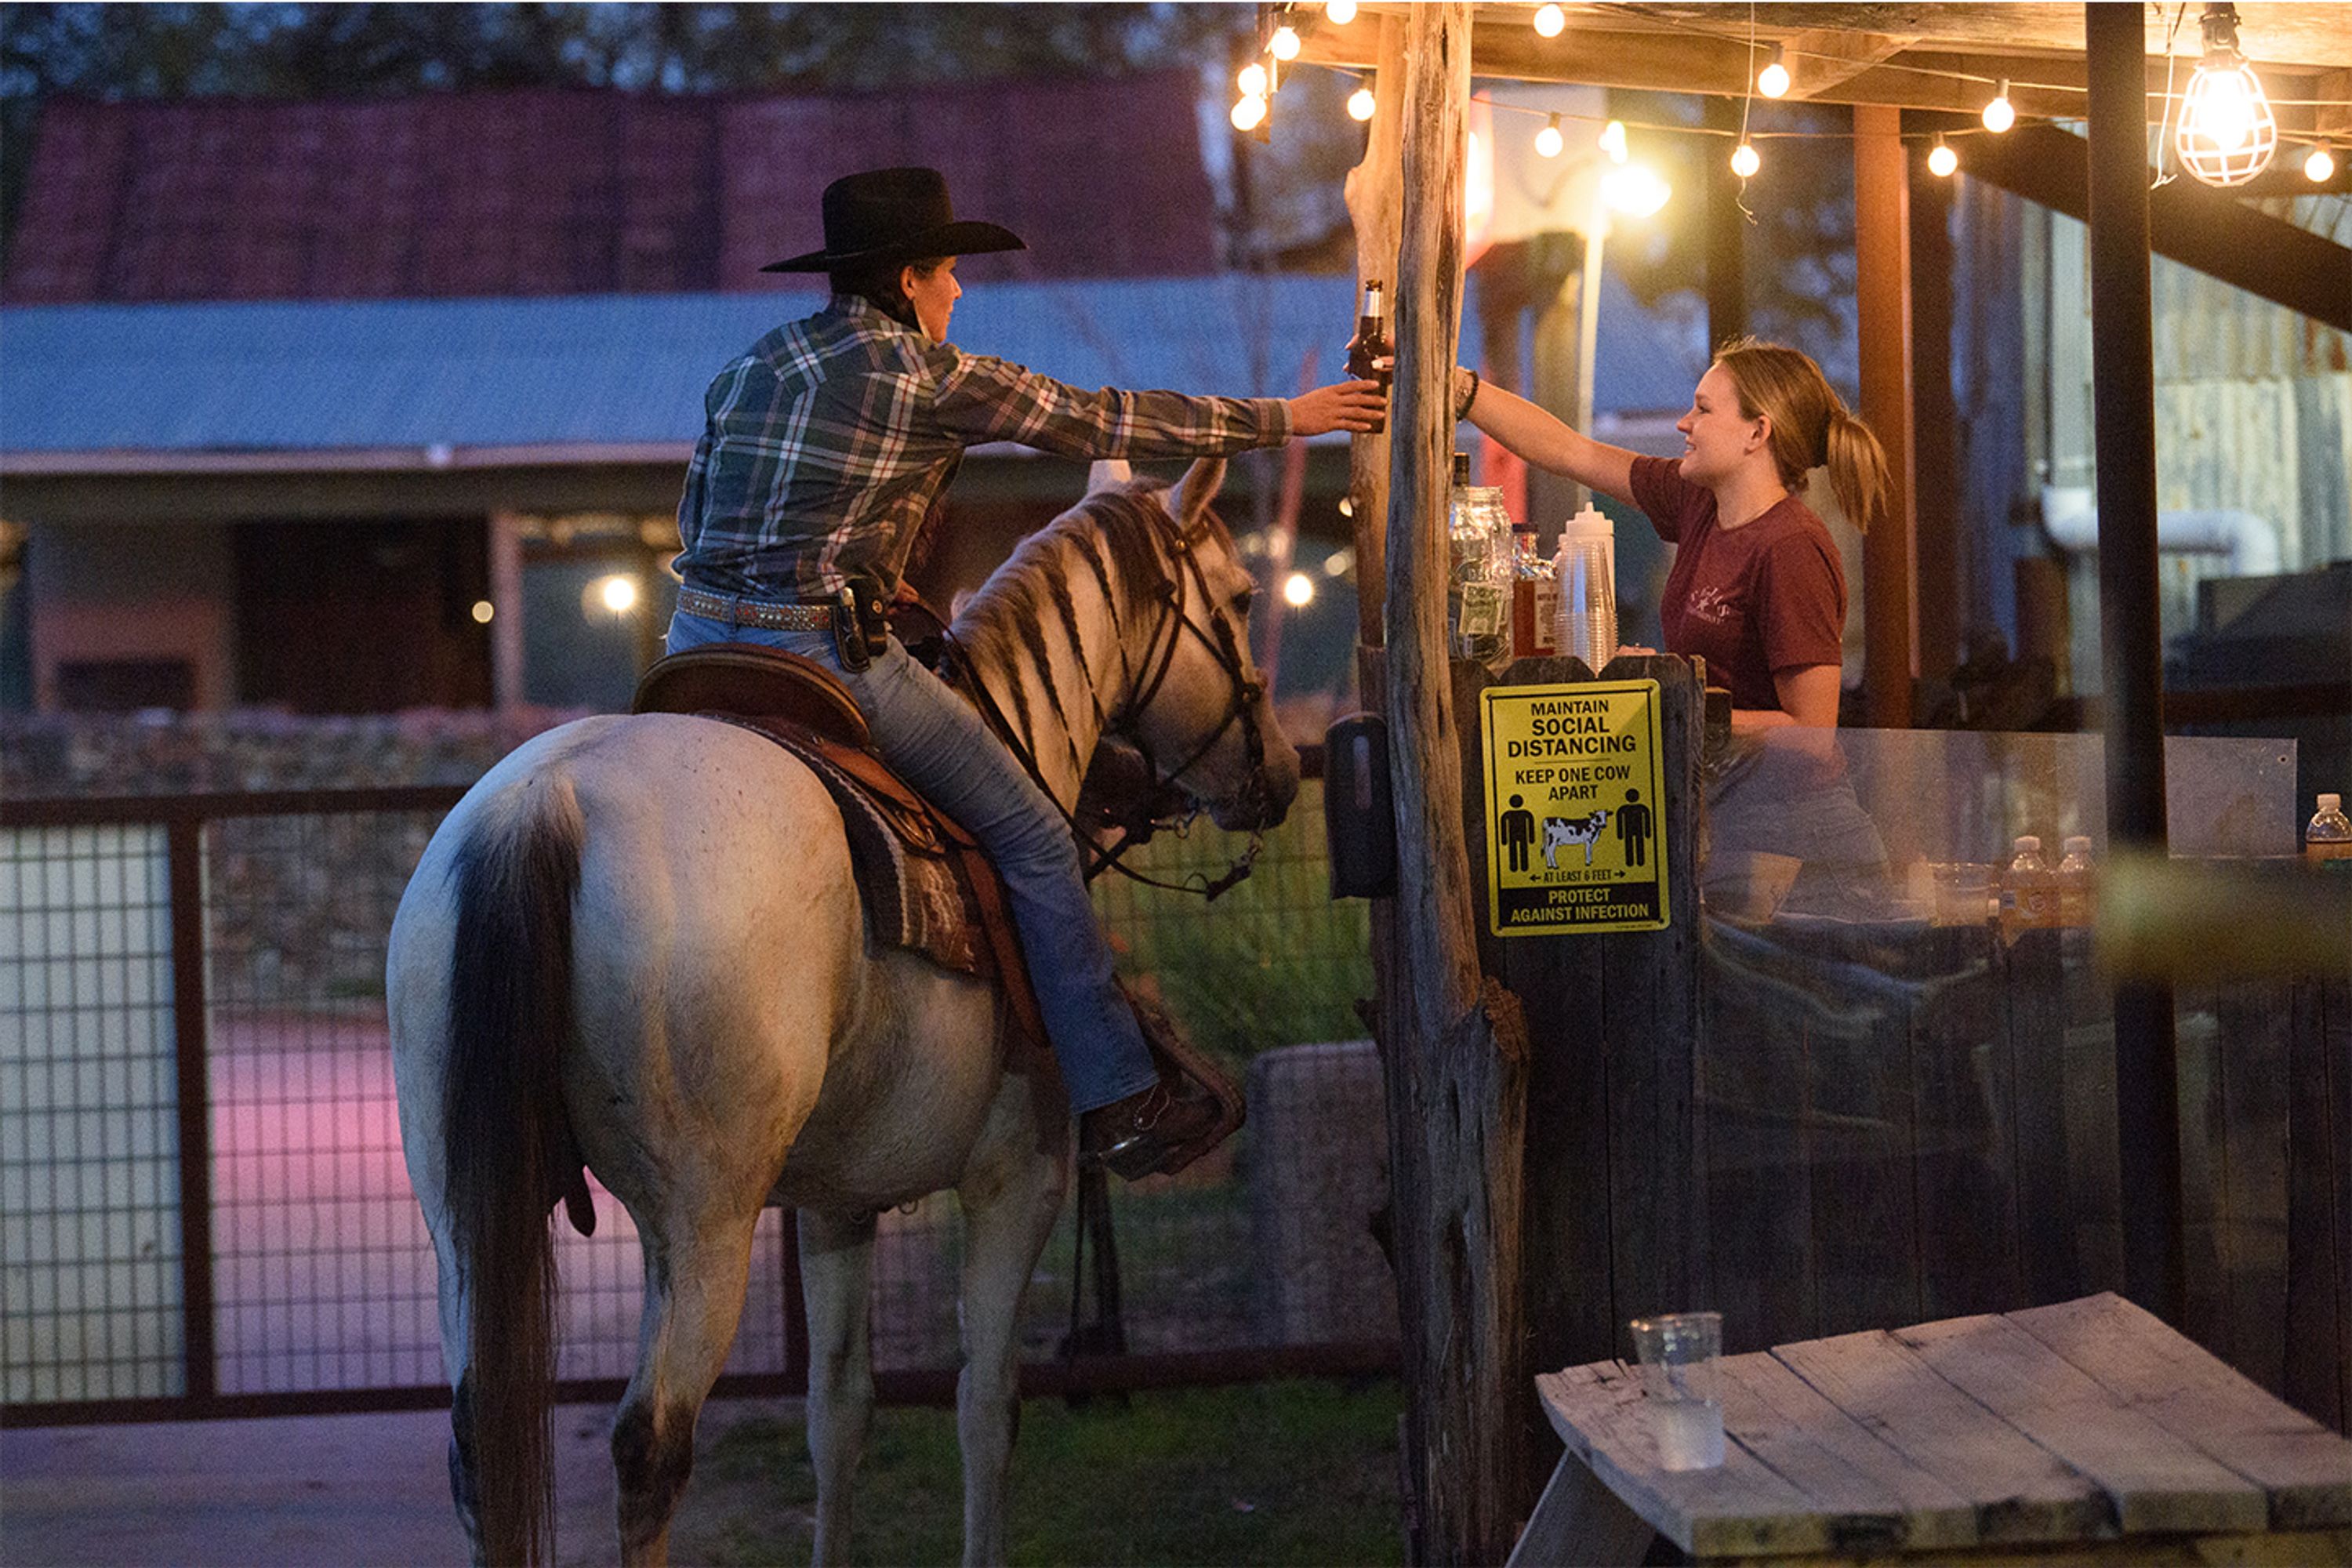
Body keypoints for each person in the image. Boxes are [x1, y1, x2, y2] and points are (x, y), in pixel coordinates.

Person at [664, 167, 1386, 1179]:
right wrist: (1287, 415)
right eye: (950, 272)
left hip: (694, 651)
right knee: (1039, 838)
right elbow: (1102, 420)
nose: (959, 293)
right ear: (909, 281)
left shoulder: (749, 368)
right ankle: (1119, 1094)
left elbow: (697, 525)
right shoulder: (928, 377)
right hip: (821, 653)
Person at [1453, 338, 1889, 731]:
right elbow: (1569, 451)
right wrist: (1459, 389)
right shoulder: (1697, 502)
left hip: (1790, 818)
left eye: (1703, 409)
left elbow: (1811, 732)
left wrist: (1670, 695)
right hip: (1725, 806)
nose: (1684, 422)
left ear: (1757, 432)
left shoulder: (1790, 546)